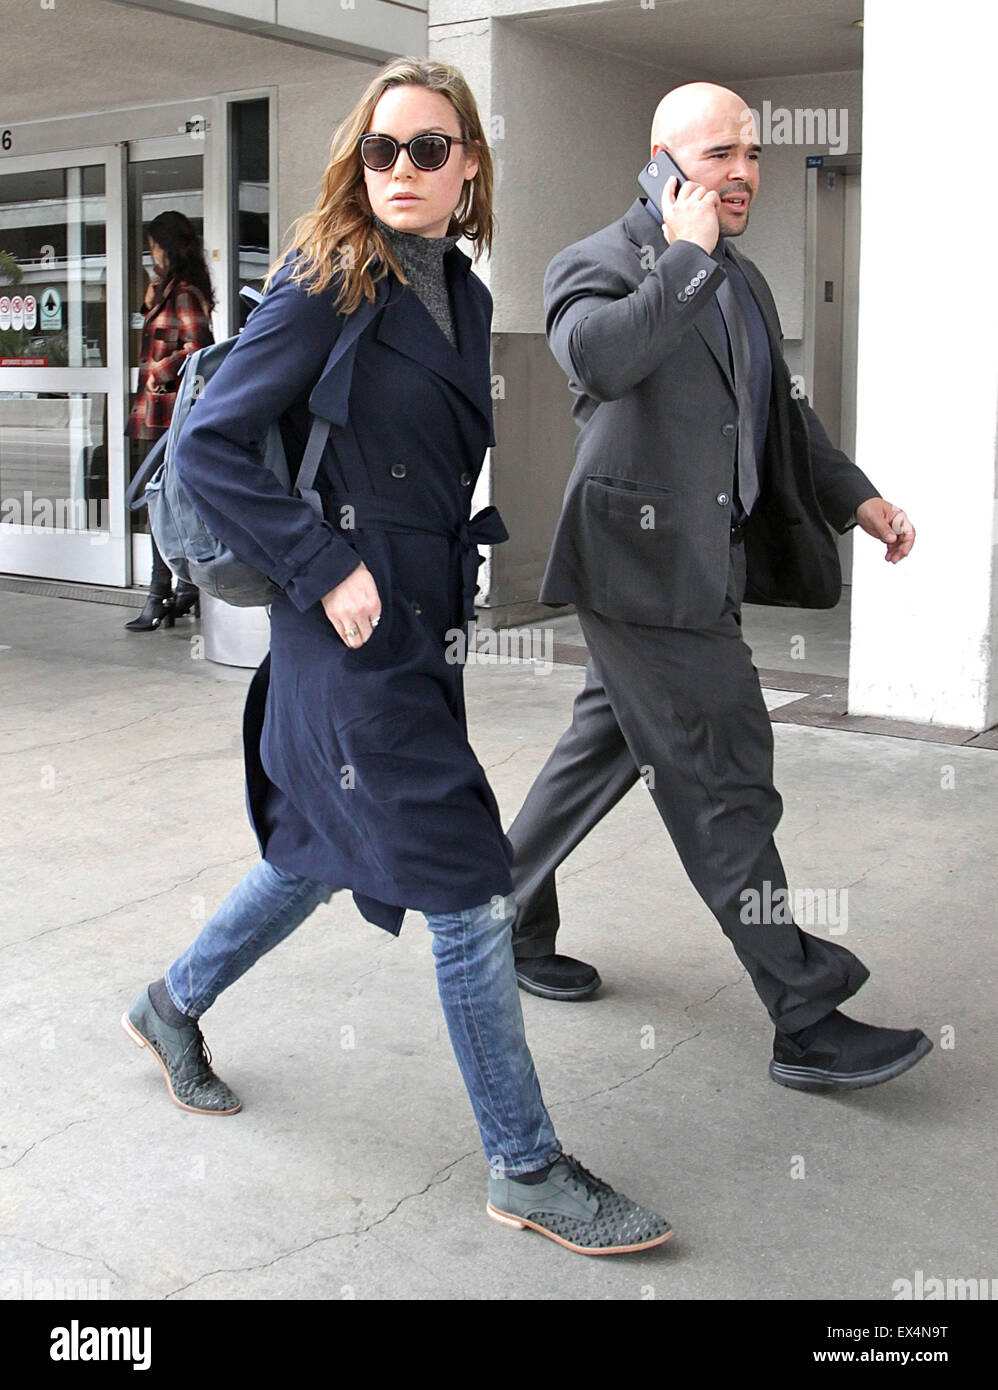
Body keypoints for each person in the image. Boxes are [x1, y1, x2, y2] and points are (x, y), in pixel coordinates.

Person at [120, 58, 672, 1257]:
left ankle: (169, 1004)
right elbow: (207, 444)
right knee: (469, 889)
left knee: (318, 853)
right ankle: (524, 1164)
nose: (403, 170)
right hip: (343, 639)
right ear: (356, 164)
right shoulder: (331, 275)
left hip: (416, 627)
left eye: (429, 149)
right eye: (381, 151)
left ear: (469, 162)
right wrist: (326, 567)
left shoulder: (462, 294)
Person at [507, 81, 933, 1095]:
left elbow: (781, 414)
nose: (740, 172)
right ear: (660, 162)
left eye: (750, 154)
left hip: (706, 564)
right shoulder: (600, 261)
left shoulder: (741, 282)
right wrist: (685, 257)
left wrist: (855, 497)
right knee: (723, 780)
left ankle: (499, 913)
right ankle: (805, 1015)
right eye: (717, 155)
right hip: (638, 571)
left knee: (597, 752)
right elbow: (599, 360)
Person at [125, 210, 214, 631]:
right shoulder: (168, 290)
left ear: (169, 246)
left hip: (172, 414)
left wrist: (161, 370)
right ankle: (180, 591)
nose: (152, 253)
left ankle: (160, 594)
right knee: (161, 500)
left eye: (155, 245)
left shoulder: (184, 294)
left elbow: (199, 351)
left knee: (162, 502)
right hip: (156, 413)